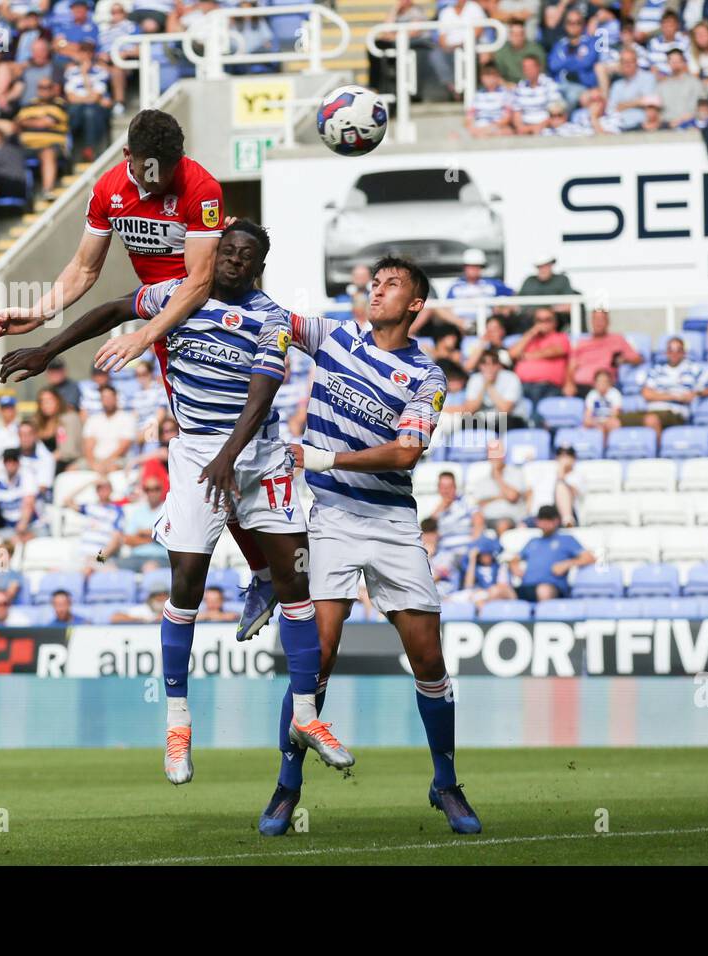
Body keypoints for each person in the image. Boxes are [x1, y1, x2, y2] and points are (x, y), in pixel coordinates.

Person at [3, 220, 346, 790]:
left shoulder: (270, 318)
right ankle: (178, 724)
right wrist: (47, 348)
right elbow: (113, 310)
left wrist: (230, 457)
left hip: (258, 455)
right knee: (186, 583)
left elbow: (263, 392)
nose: (233, 260)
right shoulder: (176, 295)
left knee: (296, 582)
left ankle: (307, 715)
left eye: (245, 255)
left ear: (258, 266)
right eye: (227, 250)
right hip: (196, 456)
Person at [0, 109, 274, 632]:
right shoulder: (108, 190)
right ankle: (264, 570)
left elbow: (199, 282)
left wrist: (143, 336)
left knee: (216, 445)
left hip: (207, 319)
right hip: (161, 321)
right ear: (128, 157)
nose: (156, 181)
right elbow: (85, 268)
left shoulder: (201, 188)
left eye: (166, 170)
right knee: (207, 449)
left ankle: (269, 566)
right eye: (147, 171)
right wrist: (39, 312)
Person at [231, 255, 465, 833]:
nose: (376, 291)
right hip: (331, 518)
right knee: (318, 654)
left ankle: (445, 783)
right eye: (374, 283)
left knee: (428, 658)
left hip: (392, 524)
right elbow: (278, 320)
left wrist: (326, 457)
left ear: (415, 304)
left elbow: (407, 452)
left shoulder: (427, 377)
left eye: (392, 285)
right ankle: (286, 787)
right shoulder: (335, 337)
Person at [631, 335, 708, 430]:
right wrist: (674, 397)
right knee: (619, 421)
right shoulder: (657, 370)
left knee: (651, 420)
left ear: (684, 352)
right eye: (670, 350)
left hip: (675, 412)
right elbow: (647, 394)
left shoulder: (694, 369)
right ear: (666, 352)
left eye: (678, 350)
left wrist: (696, 393)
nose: (674, 354)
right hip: (651, 411)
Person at [511, 504, 594, 600]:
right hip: (526, 586)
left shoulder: (566, 539)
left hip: (552, 587)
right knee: (501, 591)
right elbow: (515, 558)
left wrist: (567, 564)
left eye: (549, 519)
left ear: (557, 521)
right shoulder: (533, 541)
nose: (545, 523)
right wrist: (514, 566)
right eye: (542, 519)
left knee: (543, 590)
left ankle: (544, 609)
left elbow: (589, 558)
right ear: (537, 521)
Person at [564, 307, 643, 395]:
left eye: (601, 319)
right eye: (596, 319)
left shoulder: (617, 339)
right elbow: (571, 366)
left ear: (608, 322)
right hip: (580, 387)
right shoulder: (581, 343)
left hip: (605, 387)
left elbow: (638, 358)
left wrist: (624, 360)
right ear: (591, 321)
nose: (598, 323)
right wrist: (569, 383)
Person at [509, 306, 571, 406]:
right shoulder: (528, 339)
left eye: (547, 320)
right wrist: (531, 333)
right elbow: (512, 354)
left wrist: (528, 356)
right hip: (521, 385)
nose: (543, 323)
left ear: (555, 322)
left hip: (547, 386)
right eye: (539, 320)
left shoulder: (560, 337)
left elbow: (556, 350)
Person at [0, 447, 39, 549]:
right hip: (10, 528)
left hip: (33, 525)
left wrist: (20, 532)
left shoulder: (27, 476)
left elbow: (28, 505)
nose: (10, 464)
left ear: (18, 462)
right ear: (4, 463)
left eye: (13, 461)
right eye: (7, 461)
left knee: (21, 541)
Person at [584, 368, 624, 434]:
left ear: (609, 383)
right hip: (595, 422)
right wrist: (596, 424)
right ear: (595, 383)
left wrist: (604, 424)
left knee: (615, 423)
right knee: (586, 422)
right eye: (599, 381)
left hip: (609, 421)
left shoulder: (615, 393)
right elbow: (588, 414)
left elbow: (615, 414)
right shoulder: (591, 394)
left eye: (604, 381)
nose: (601, 383)